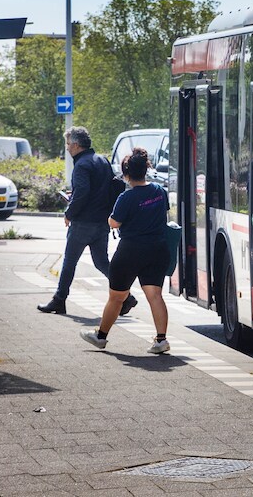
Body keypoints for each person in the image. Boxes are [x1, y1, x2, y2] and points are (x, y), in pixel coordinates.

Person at [80, 147, 171, 354]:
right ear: (146, 169)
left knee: (116, 297)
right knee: (155, 295)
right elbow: (161, 213)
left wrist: (109, 217)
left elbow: (114, 223)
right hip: (157, 249)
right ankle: (161, 340)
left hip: (131, 251)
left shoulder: (126, 197)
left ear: (126, 174)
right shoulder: (159, 191)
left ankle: (101, 337)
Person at [38, 126, 138, 316]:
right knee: (101, 262)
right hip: (102, 223)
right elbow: (102, 190)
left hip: (83, 223)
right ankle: (127, 297)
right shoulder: (102, 160)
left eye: (68, 144)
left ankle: (59, 300)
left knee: (69, 262)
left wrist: (69, 212)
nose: (67, 148)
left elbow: (83, 193)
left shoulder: (81, 165)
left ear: (76, 145)